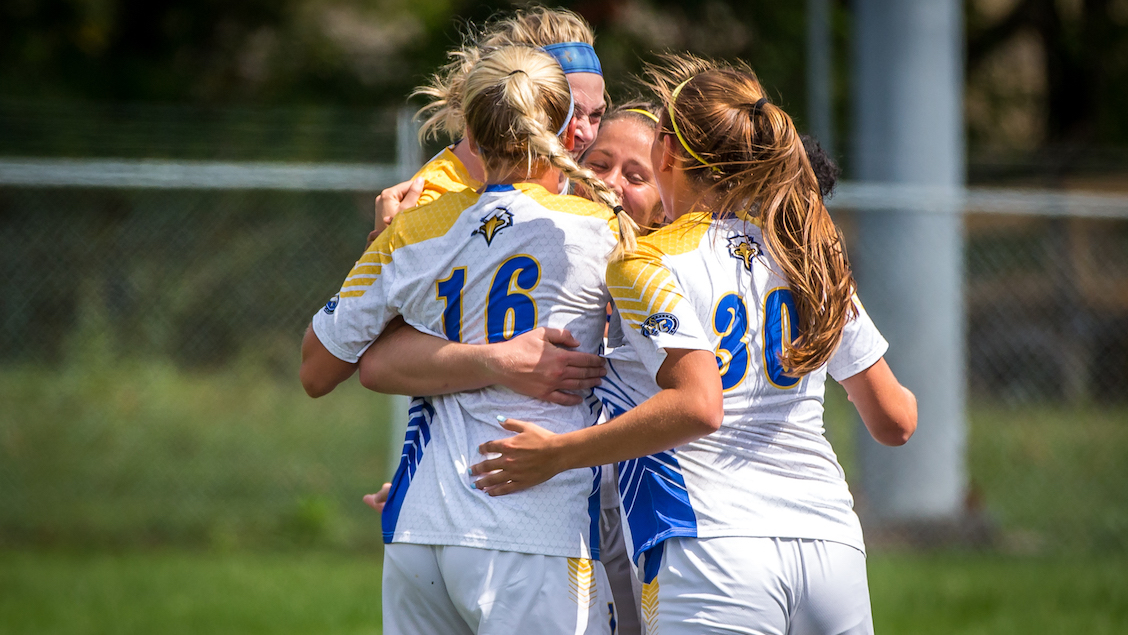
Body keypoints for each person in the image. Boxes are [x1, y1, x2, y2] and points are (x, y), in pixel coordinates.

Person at [467, 54, 918, 635]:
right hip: (830, 543)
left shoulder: (646, 259)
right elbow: (896, 421)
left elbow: (699, 405)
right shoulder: (809, 257)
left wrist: (557, 453)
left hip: (710, 545)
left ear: (666, 151)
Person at [300, 45, 635, 635]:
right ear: (562, 131)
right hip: (534, 528)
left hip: (420, 529)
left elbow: (316, 369)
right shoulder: (602, 230)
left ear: (471, 139)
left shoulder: (412, 226)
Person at [373, 6, 607, 235]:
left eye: (596, 115)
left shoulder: (584, 187)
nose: (586, 133)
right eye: (569, 112)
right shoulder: (430, 200)